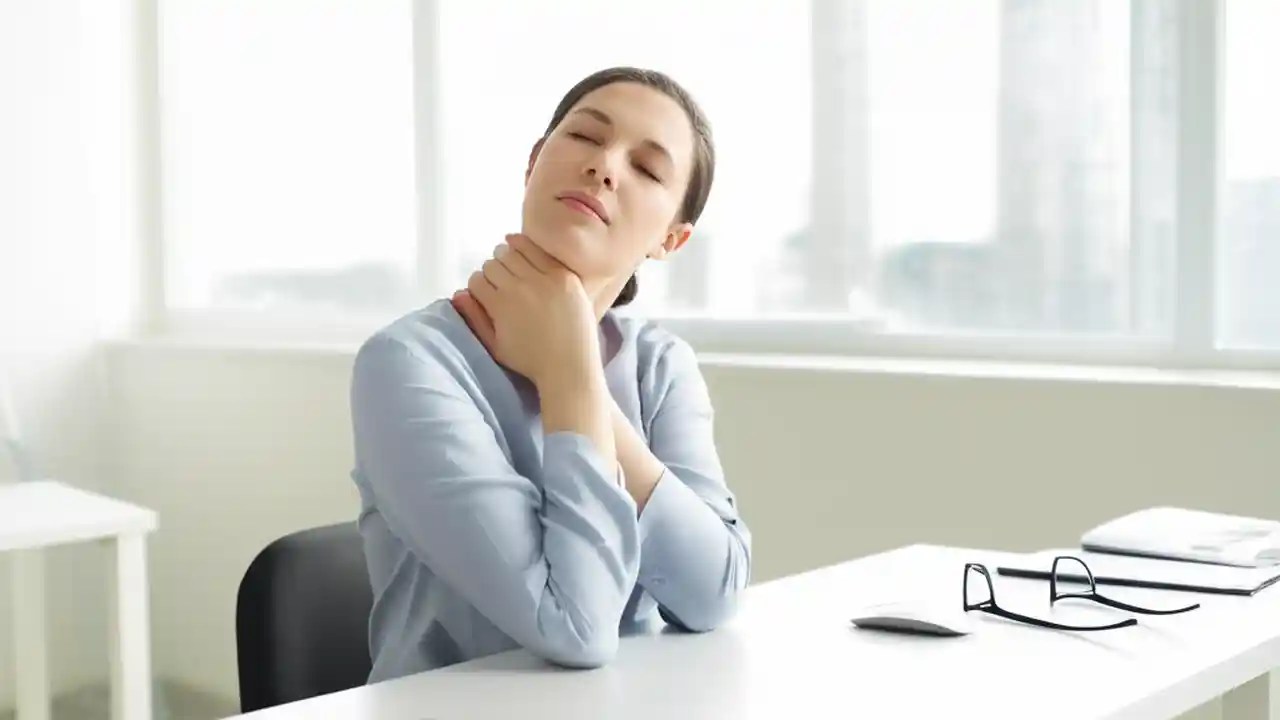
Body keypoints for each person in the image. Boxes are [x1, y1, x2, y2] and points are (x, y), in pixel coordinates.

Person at [349, 66, 752, 683]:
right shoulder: (409, 363)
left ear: (671, 238)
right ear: (535, 161)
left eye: (646, 169)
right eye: (586, 137)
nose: (605, 167)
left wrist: (574, 372)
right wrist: (568, 380)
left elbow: (715, 592)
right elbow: (576, 628)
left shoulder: (659, 365)